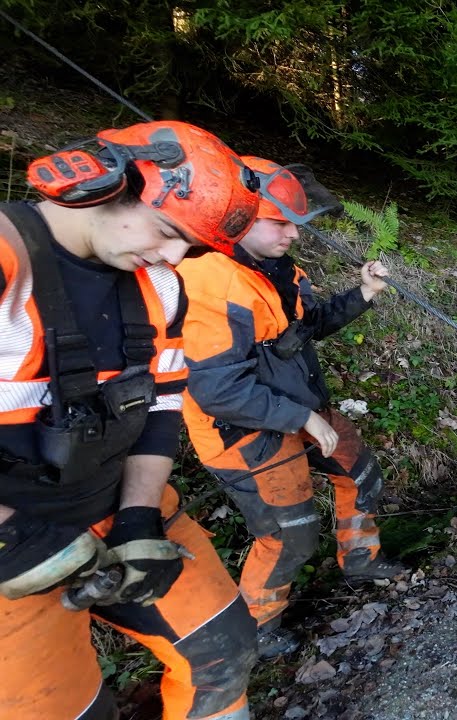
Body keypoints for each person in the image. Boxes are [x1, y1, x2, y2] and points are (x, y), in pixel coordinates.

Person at [0, 121, 262, 720]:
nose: (173, 257)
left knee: (222, 650)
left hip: (109, 500)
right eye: (170, 232)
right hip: (12, 532)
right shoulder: (7, 260)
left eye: (191, 249)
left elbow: (161, 405)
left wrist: (140, 516)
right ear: (110, 184)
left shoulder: (161, 285)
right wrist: (13, 536)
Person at [178, 156, 407, 659]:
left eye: (295, 224)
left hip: (298, 404)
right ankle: (257, 628)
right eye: (280, 223)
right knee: (289, 534)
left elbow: (306, 327)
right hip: (240, 431)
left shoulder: (279, 271)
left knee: (360, 472)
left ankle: (361, 558)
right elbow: (216, 390)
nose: (294, 235)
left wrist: (363, 294)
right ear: (238, 217)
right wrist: (299, 418)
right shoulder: (207, 284)